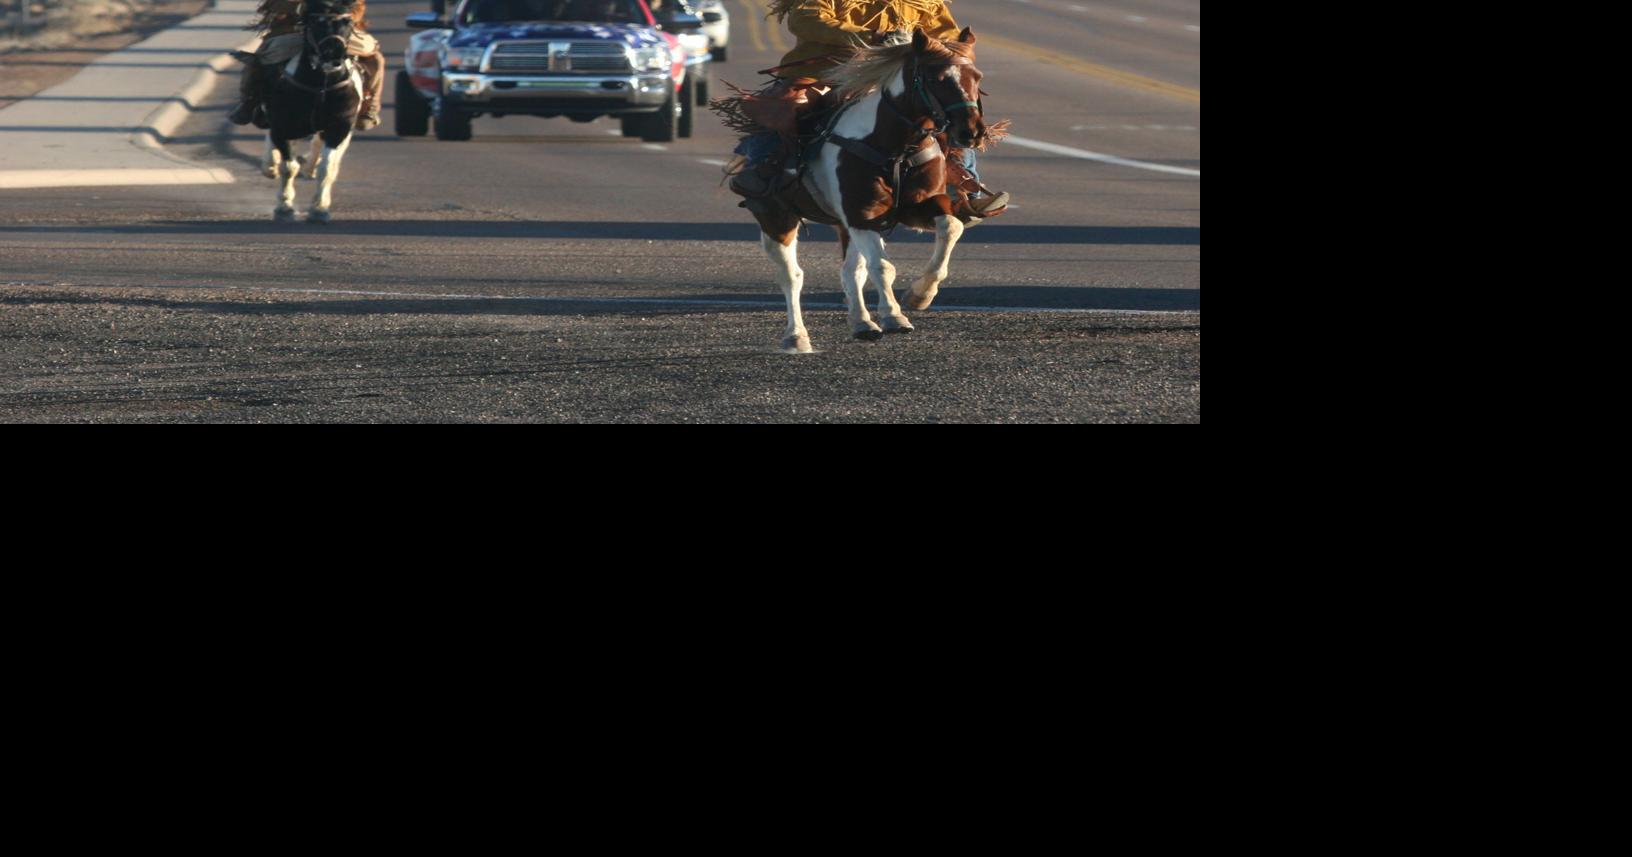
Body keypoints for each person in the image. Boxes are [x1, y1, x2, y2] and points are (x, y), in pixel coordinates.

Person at [729, 0, 1009, 220]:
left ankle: (964, 189)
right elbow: (806, 21)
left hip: (894, 77)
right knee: (788, 104)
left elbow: (945, 33)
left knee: (950, 109)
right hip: (826, 72)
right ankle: (765, 166)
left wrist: (940, 47)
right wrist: (868, 35)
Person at [231, 0, 388, 131]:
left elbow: (358, 7)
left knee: (374, 56)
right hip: (296, 31)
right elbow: (274, 5)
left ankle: (370, 107)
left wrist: (342, 11)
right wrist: (303, 8)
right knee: (263, 56)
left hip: (338, 31)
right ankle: (251, 101)